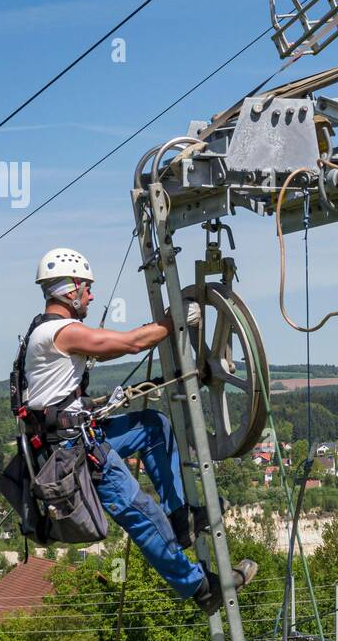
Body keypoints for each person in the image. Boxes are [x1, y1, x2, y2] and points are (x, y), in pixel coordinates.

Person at [19, 247, 256, 614]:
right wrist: (171, 320)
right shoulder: (59, 333)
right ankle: (199, 587)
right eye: (87, 288)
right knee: (142, 514)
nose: (92, 296)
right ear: (71, 290)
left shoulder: (41, 332)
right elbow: (128, 344)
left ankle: (180, 518)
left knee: (153, 426)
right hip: (76, 456)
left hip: (69, 441)